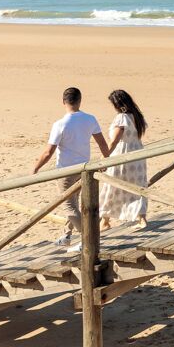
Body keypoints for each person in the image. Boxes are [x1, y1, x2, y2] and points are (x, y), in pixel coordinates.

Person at [32, 87, 110, 249]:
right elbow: (102, 143)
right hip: (84, 169)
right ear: (80, 100)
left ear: (63, 102)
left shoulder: (60, 124)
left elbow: (48, 152)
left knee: (69, 206)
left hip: (66, 171)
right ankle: (67, 235)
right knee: (74, 202)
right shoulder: (90, 119)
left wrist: (35, 168)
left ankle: (88, 239)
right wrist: (106, 161)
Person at [98, 89, 149, 229]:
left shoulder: (122, 118)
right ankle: (142, 219)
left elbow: (114, 141)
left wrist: (104, 156)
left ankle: (105, 221)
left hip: (122, 156)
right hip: (137, 156)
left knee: (111, 186)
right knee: (138, 187)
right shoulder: (137, 117)